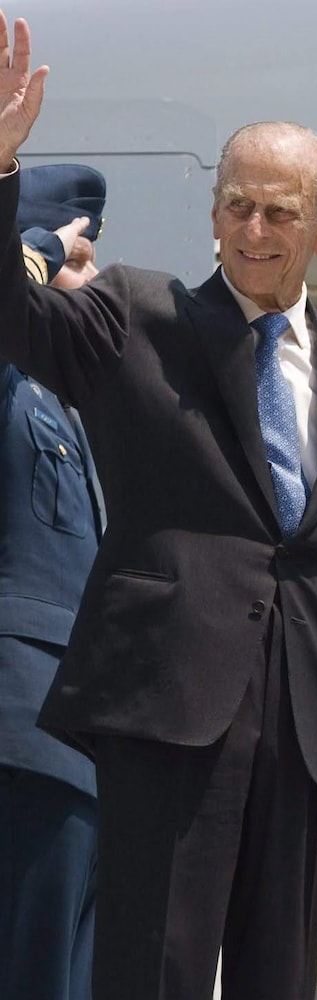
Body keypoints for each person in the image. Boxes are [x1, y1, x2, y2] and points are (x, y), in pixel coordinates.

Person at [0, 14, 317, 1000]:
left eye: (280, 213)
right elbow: (13, 315)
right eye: (237, 206)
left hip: (307, 727)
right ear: (212, 215)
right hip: (166, 712)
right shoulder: (137, 317)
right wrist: (0, 169)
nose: (254, 230)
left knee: (281, 976)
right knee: (156, 970)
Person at [0, 164, 105, 1000]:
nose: (94, 276)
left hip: (86, 754)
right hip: (19, 743)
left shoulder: (73, 401)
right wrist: (34, 251)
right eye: (79, 258)